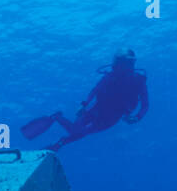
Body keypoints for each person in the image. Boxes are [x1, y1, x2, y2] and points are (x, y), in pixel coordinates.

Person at [21, 49, 149, 151]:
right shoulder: (110, 77)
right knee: (78, 131)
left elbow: (145, 105)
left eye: (127, 64)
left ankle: (59, 138)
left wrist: (137, 117)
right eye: (121, 64)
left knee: (82, 132)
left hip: (113, 115)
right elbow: (95, 90)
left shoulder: (138, 81)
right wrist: (84, 105)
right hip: (97, 109)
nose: (124, 67)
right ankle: (59, 138)